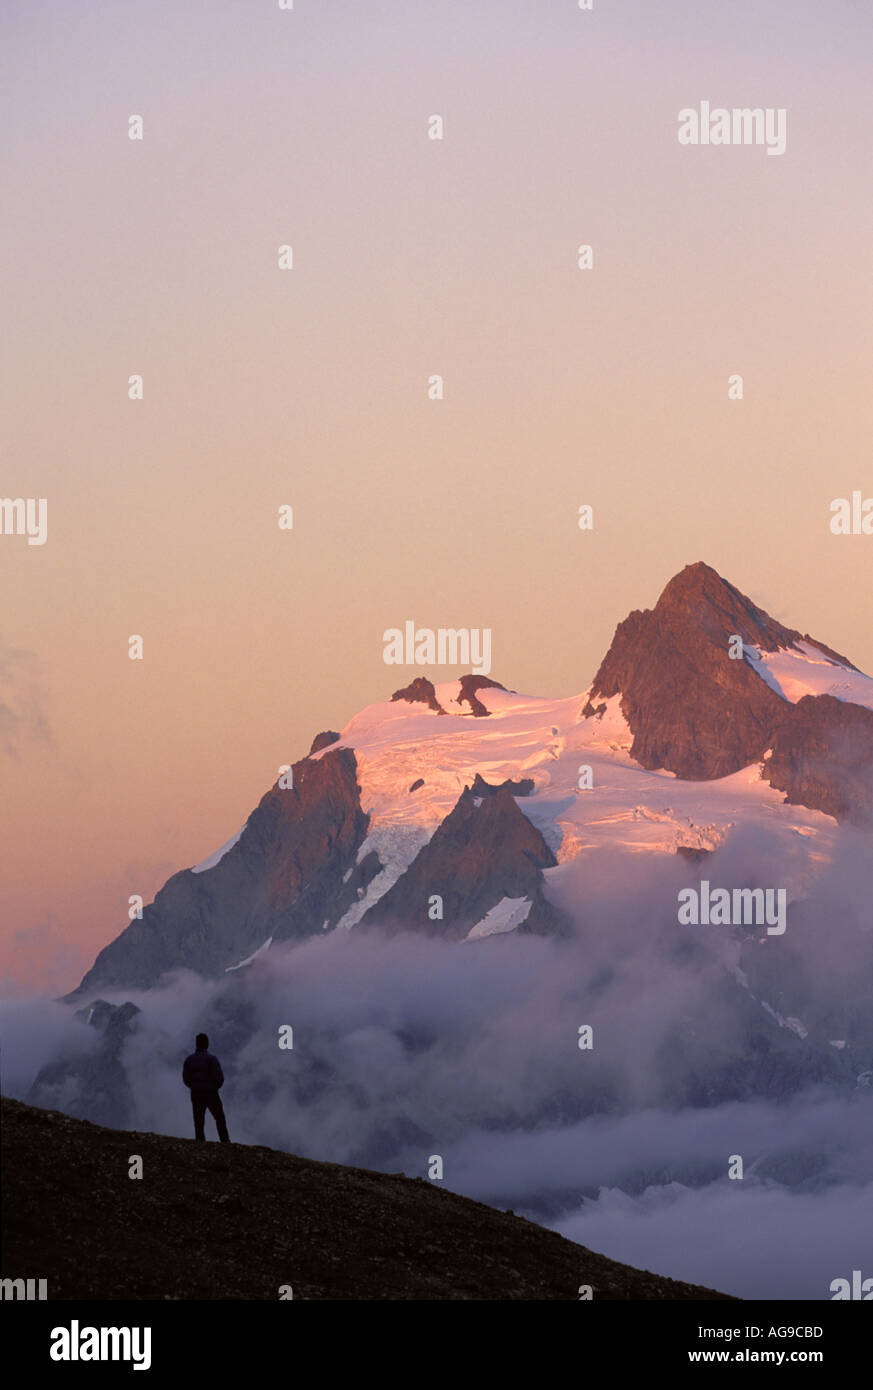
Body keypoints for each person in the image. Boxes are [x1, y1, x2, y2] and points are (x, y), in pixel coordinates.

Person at [182, 1033, 230, 1142]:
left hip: (196, 1092)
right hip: (210, 1092)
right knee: (219, 1117)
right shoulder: (212, 1059)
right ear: (207, 1044)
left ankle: (200, 1141)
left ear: (197, 1044)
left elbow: (186, 1078)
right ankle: (225, 1141)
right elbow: (218, 1076)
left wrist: (193, 1086)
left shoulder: (189, 1060)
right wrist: (215, 1087)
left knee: (198, 1119)